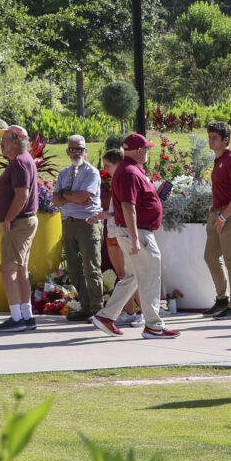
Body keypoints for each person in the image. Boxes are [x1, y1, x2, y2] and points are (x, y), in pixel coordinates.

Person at [91, 133, 180, 339]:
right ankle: (153, 326)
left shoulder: (131, 170)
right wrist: (135, 239)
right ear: (139, 150)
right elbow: (128, 207)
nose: (148, 152)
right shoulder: (130, 171)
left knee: (132, 277)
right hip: (138, 231)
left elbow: (133, 204)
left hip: (134, 230)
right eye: (146, 149)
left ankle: (106, 316)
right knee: (149, 276)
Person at [0, 125, 40, 333]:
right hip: (23, 221)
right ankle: (26, 317)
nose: (1, 142)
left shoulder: (20, 162)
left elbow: (22, 195)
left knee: (8, 269)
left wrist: (8, 219)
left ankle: (17, 318)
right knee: (20, 270)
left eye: (5, 139)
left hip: (18, 222)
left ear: (17, 141)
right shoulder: (22, 161)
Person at [54, 134, 103, 322]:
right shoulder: (64, 173)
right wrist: (73, 196)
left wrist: (66, 194)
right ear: (67, 151)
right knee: (74, 269)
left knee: (91, 268)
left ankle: (98, 310)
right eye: (73, 149)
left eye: (80, 149)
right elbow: (55, 199)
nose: (77, 152)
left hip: (88, 224)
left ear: (86, 151)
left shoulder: (92, 172)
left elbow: (84, 198)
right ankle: (86, 307)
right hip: (68, 223)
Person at [203, 121, 231, 321]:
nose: (211, 140)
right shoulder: (218, 159)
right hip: (218, 214)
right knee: (210, 257)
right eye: (210, 136)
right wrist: (215, 214)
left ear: (226, 139)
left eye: (215, 137)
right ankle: (222, 299)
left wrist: (223, 216)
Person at [96, 149, 143, 328]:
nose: (106, 170)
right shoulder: (116, 180)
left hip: (124, 232)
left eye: (108, 166)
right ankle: (129, 312)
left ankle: (144, 313)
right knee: (123, 276)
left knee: (133, 276)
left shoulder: (126, 177)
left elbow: (129, 207)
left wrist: (105, 215)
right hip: (112, 232)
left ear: (118, 163)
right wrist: (104, 216)